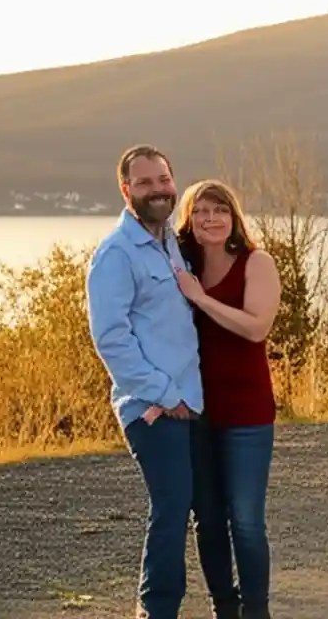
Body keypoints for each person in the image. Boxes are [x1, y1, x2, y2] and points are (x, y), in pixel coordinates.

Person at [85, 144, 204, 619]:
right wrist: (164, 394)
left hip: (191, 403)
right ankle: (156, 612)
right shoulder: (115, 254)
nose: (158, 190)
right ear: (126, 190)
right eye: (145, 183)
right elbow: (111, 340)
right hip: (153, 410)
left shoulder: (171, 241)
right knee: (172, 508)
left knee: (199, 510)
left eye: (164, 181)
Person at [172, 179, 281, 619]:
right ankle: (225, 608)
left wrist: (199, 298)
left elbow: (257, 328)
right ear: (190, 220)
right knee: (209, 520)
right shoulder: (181, 263)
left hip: (247, 413)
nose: (211, 218)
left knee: (247, 521)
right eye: (201, 211)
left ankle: (256, 611)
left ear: (234, 217)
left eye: (220, 210)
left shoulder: (257, 263)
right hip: (196, 411)